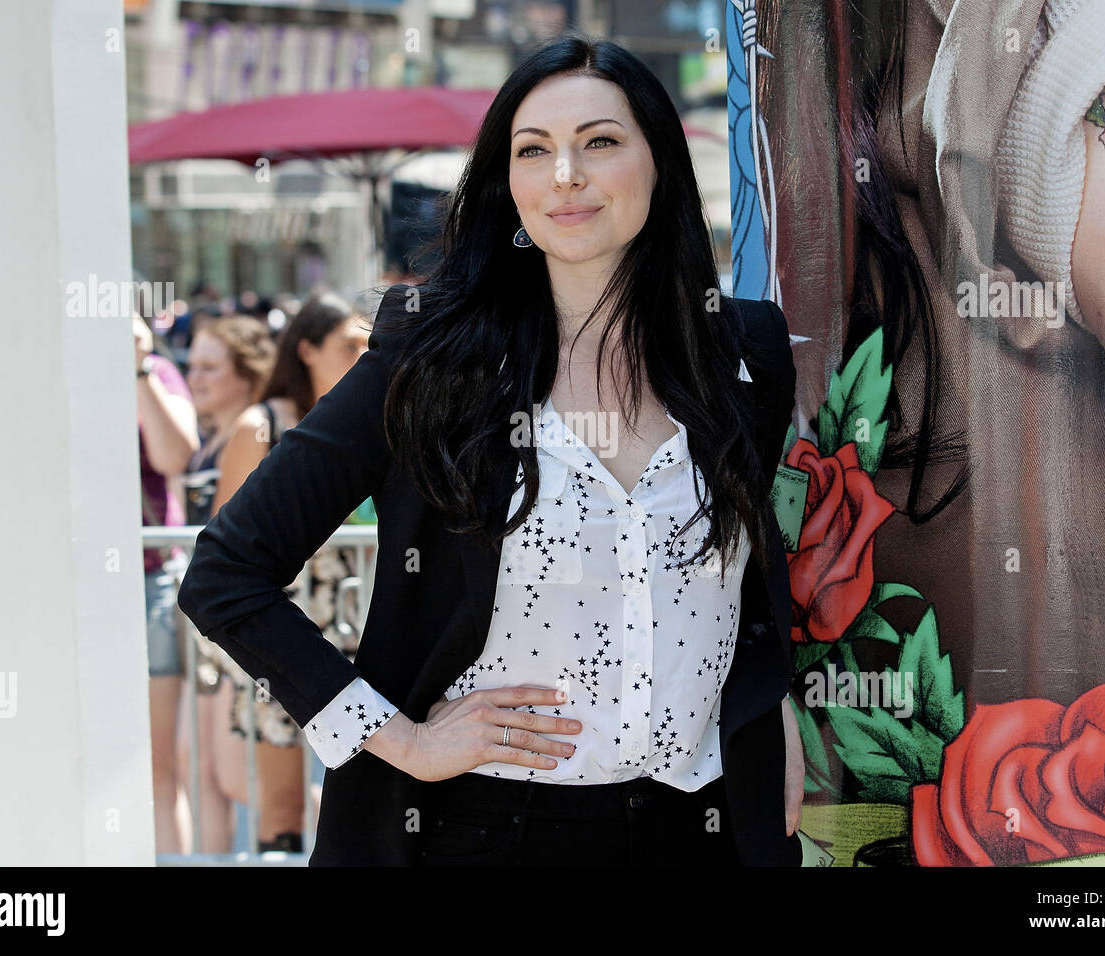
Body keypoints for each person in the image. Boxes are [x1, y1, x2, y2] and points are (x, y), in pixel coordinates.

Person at [178, 34, 804, 867]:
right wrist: (398, 738)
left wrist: (772, 712)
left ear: (660, 160)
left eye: (601, 142)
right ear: (507, 183)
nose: (565, 176)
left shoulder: (745, 352)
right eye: (533, 150)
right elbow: (226, 572)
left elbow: (748, 579)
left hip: (703, 826)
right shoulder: (432, 359)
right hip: (482, 835)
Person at [207, 292, 374, 853]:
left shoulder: (370, 419)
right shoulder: (263, 425)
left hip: (355, 635)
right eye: (347, 346)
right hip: (282, 637)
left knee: (357, 801)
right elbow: (224, 552)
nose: (361, 357)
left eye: (366, 346)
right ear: (305, 350)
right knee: (279, 805)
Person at [181, 314, 277, 853]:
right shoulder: (211, 435)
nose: (195, 377)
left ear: (247, 373)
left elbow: (230, 545)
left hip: (227, 629)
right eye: (191, 365)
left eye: (209, 367)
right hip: (200, 626)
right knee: (204, 769)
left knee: (238, 774)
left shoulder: (251, 432)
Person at [136, 310, 199, 855]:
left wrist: (137, 371)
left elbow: (174, 455)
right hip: (67, 587)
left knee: (158, 762)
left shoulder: (155, 370)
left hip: (151, 579)